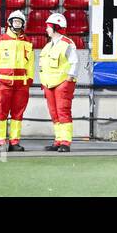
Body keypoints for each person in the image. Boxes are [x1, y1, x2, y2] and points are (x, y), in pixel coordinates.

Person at [0, 10, 35, 152]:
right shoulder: (0, 40)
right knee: (1, 113)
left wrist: (30, 79)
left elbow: (31, 63)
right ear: (10, 23)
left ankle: (14, 142)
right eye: (15, 21)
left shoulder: (27, 42)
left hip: (22, 85)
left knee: (18, 114)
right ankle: (1, 141)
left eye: (20, 22)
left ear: (23, 24)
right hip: (3, 84)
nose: (17, 24)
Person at [38, 12, 77, 152]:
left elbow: (74, 62)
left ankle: (65, 142)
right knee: (54, 113)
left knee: (63, 112)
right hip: (49, 84)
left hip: (62, 83)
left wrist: (69, 79)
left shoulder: (67, 44)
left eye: (48, 26)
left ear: (56, 27)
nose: (46, 29)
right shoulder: (49, 46)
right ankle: (58, 140)